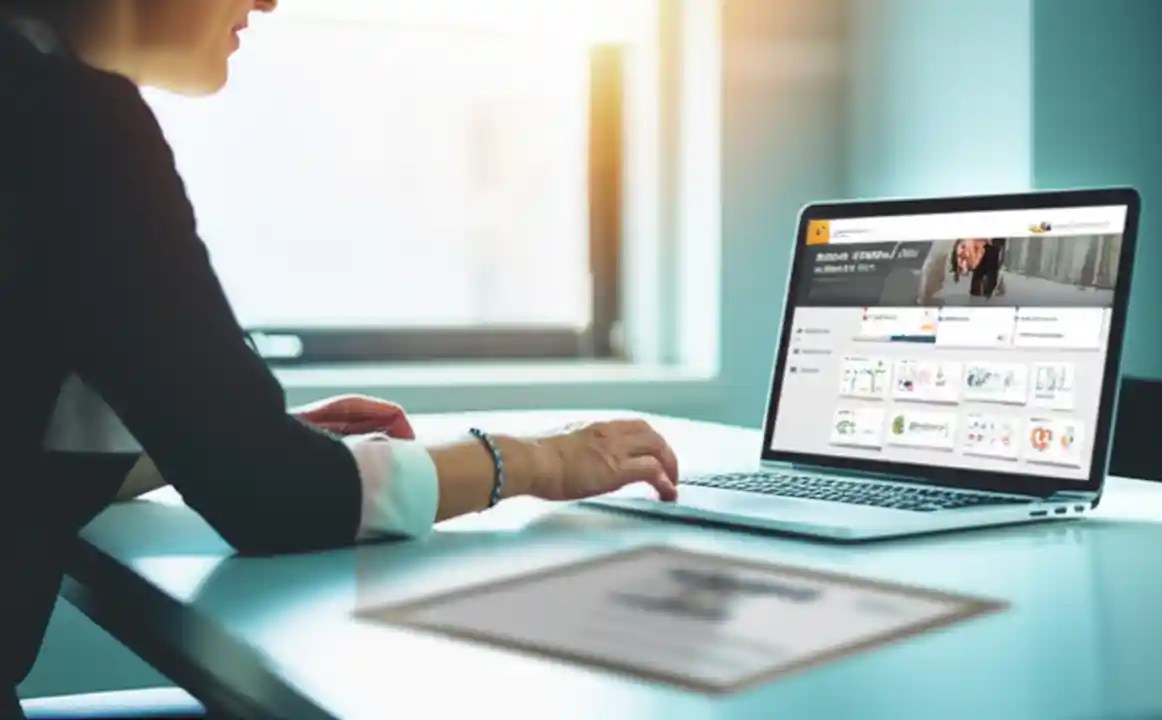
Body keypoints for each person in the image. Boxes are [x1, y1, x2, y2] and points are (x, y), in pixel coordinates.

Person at [0, 1, 681, 716]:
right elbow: (272, 497)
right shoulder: (72, 123)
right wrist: (536, 460)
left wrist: (210, 443)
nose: (268, 0)